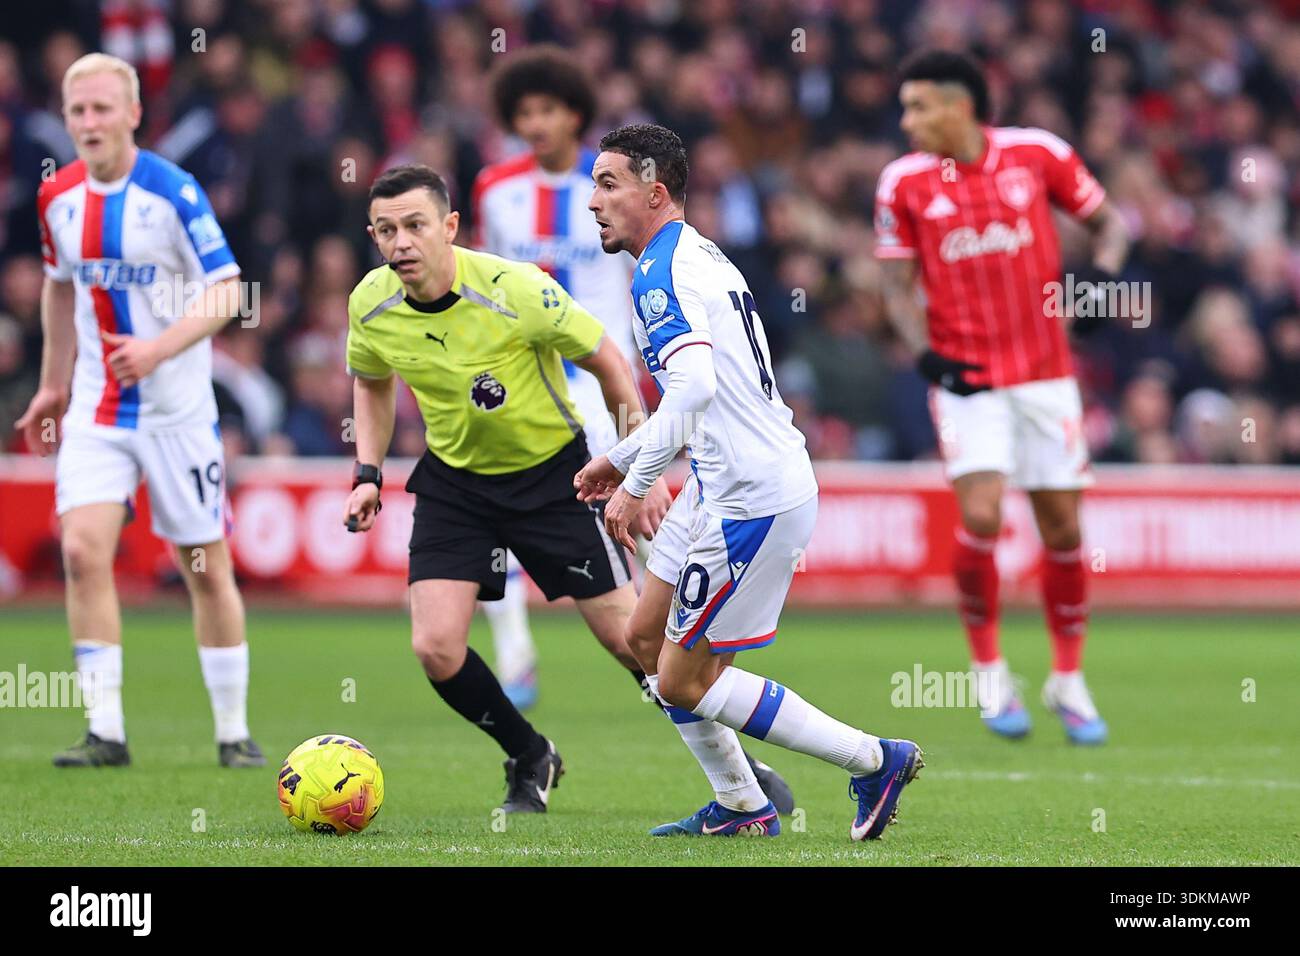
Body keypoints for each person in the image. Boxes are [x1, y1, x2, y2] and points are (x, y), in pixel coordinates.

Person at [577, 124, 923, 840]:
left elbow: (695, 387)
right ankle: (741, 804)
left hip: (751, 497)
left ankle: (873, 759)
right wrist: (623, 457)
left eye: (609, 185)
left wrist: (637, 479)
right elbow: (712, 392)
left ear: (656, 192)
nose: (595, 203)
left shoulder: (659, 272)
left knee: (682, 678)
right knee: (646, 639)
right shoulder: (698, 253)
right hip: (721, 482)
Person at [341, 162, 671, 813]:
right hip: (456, 485)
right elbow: (372, 381)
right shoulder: (370, 303)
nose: (401, 242)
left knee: (630, 640)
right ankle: (528, 754)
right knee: (435, 647)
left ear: (450, 227)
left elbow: (607, 358)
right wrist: (369, 473)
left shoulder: (515, 288)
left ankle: (739, 769)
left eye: (414, 225)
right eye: (385, 230)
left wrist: (641, 466)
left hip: (555, 479)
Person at [874, 50, 1131, 744]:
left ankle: (1068, 680)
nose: (907, 122)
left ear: (959, 108)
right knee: (983, 517)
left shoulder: (1038, 154)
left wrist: (1102, 285)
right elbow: (896, 287)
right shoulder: (902, 183)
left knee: (1064, 531)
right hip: (967, 380)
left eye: (918, 106)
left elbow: (1113, 226)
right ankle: (989, 672)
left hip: (1046, 375)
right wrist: (926, 354)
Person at [16, 53, 263, 768]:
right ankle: (106, 732)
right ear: (66, 120)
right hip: (97, 408)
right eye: (77, 111)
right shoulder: (56, 197)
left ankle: (232, 731)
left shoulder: (173, 191)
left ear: (131, 114)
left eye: (101, 109)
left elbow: (228, 289)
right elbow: (60, 289)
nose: (88, 123)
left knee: (203, 568)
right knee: (80, 551)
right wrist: (51, 384)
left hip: (176, 412)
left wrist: (158, 348)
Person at [468, 45, 637, 711]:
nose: (535, 124)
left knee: (635, 503)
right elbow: (484, 280)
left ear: (575, 114)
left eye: (547, 110)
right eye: (523, 113)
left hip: (602, 377)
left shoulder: (616, 180)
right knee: (495, 509)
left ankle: (675, 625)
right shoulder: (495, 186)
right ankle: (515, 652)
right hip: (523, 377)